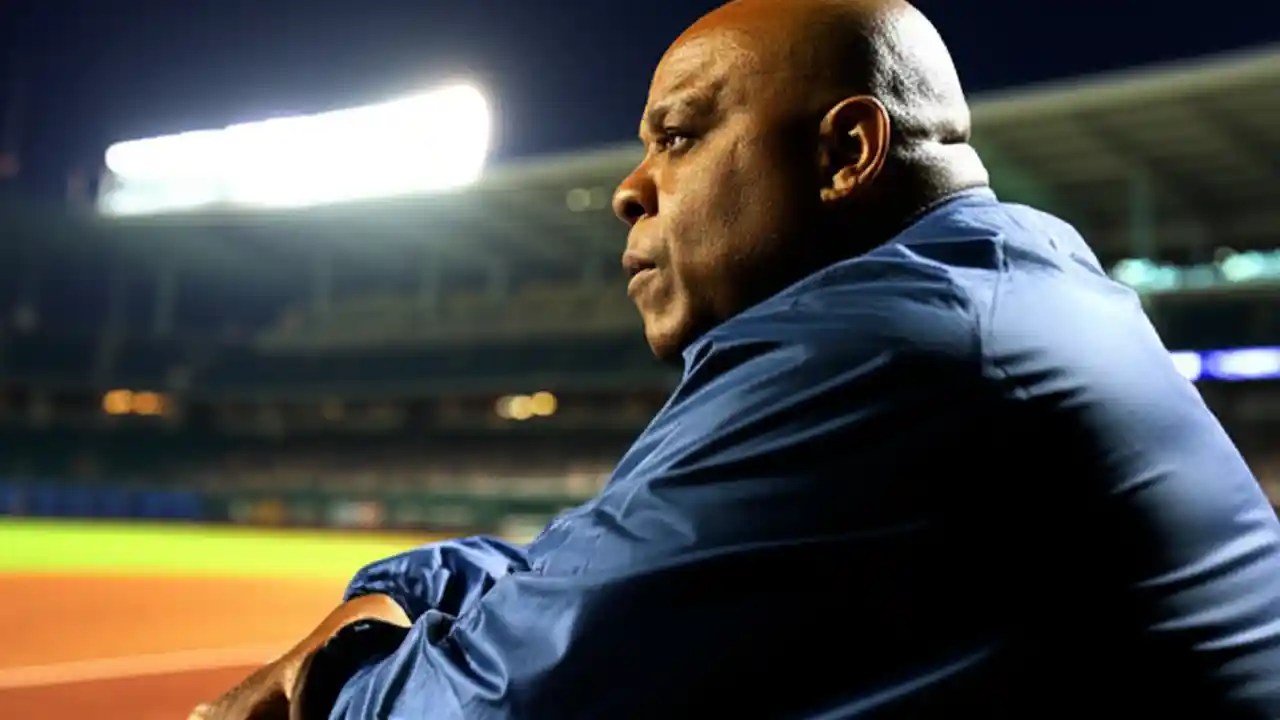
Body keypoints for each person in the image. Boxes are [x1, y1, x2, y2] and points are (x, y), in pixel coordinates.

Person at [193, 0, 1280, 717]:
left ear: (845, 152)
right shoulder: (1009, 273)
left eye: (677, 137)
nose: (629, 189)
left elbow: (503, 702)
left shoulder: (888, 346)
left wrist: (339, 670)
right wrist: (395, 590)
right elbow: (587, 573)